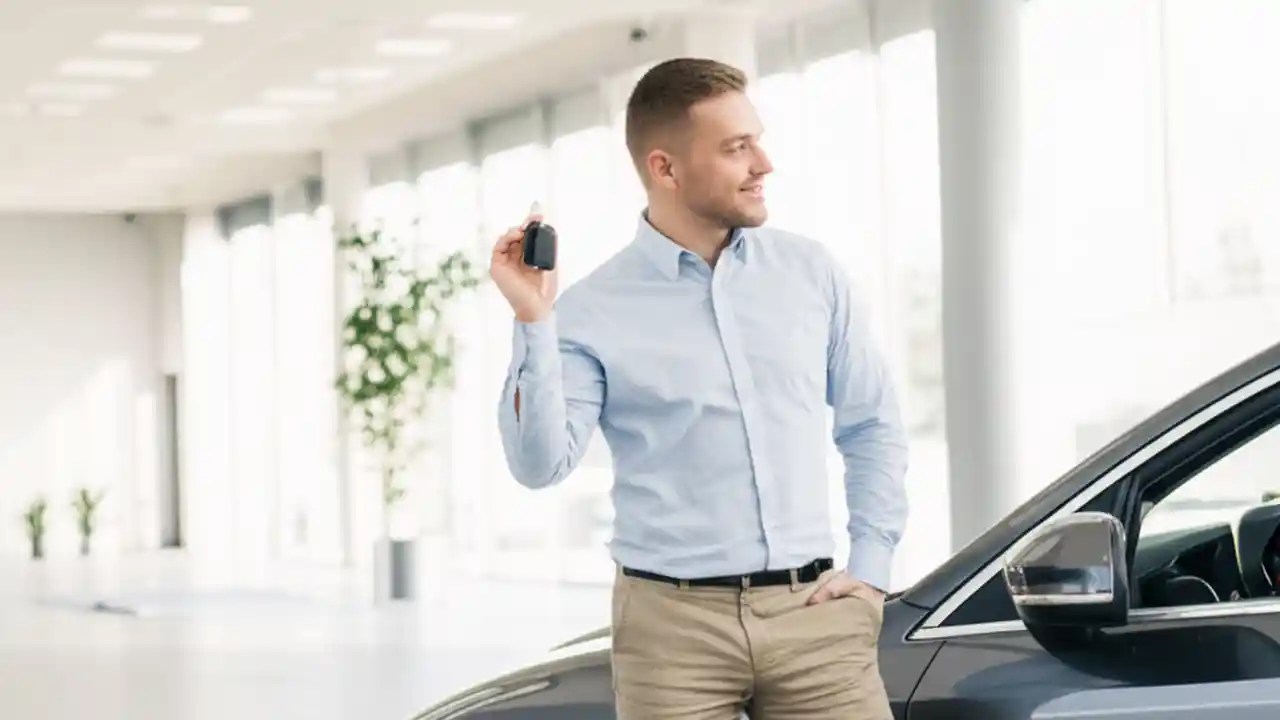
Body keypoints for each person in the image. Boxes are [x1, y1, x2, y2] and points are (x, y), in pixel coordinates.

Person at [490, 57, 908, 719]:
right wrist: (534, 320)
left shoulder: (812, 274)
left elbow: (871, 424)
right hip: (670, 636)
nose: (764, 164)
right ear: (666, 168)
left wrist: (872, 568)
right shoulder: (593, 309)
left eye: (757, 141)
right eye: (737, 148)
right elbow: (540, 465)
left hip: (817, 620)